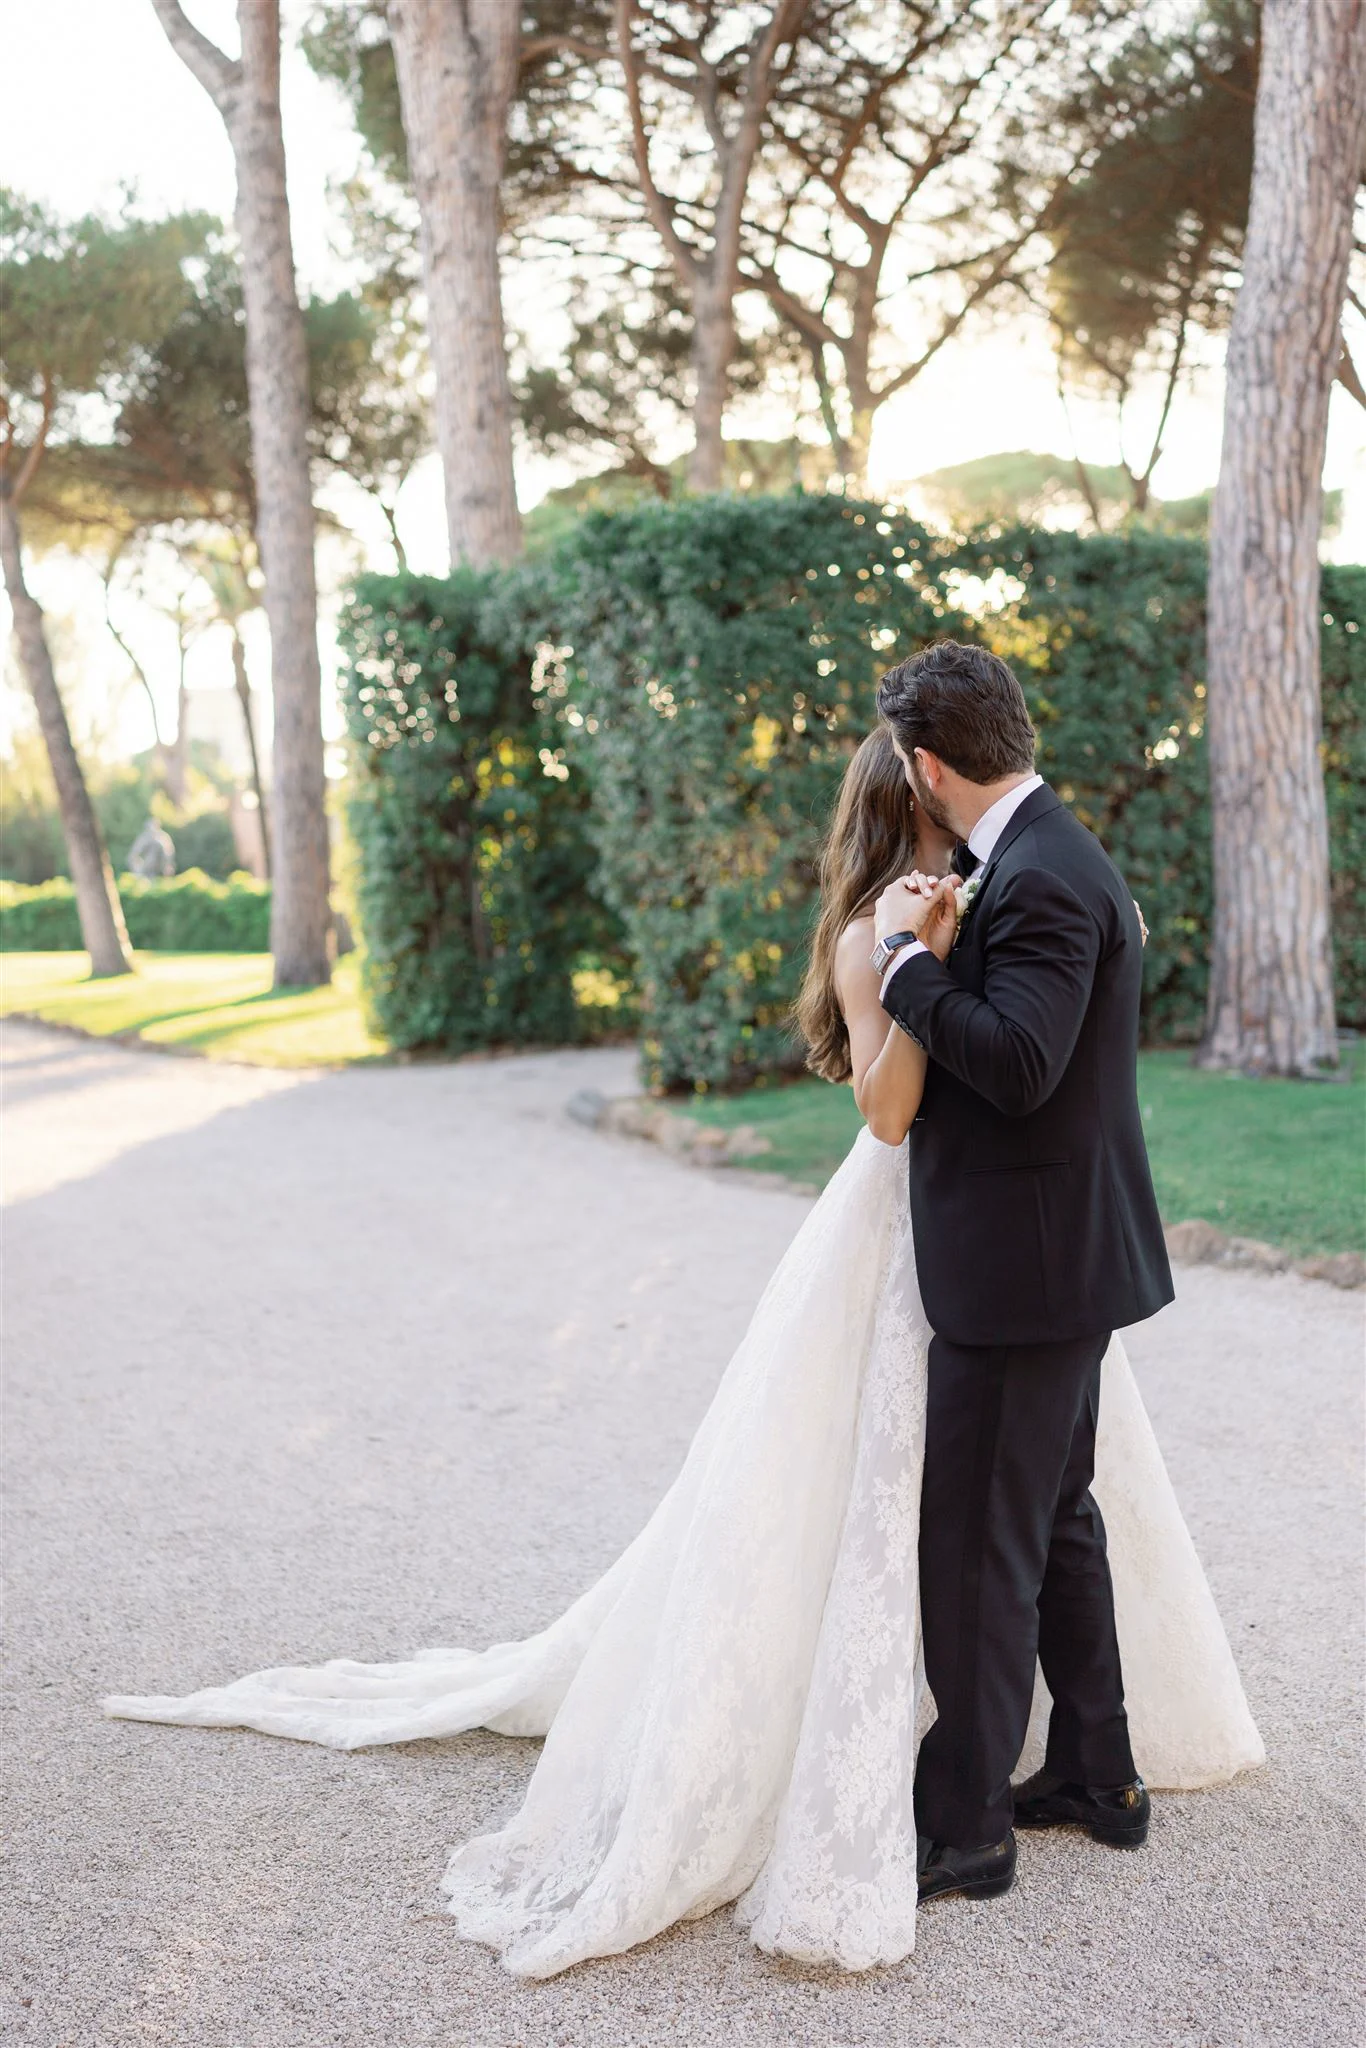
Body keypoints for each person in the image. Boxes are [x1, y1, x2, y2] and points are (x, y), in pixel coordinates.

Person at [104, 666, 1263, 1978]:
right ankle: (1098, 1778)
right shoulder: (1045, 854)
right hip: (1049, 1255)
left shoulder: (1037, 872)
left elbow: (1014, 1060)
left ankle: (967, 1833)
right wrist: (908, 957)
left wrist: (903, 962)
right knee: (1054, 1517)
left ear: (927, 767)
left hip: (1024, 1264)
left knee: (975, 1553)